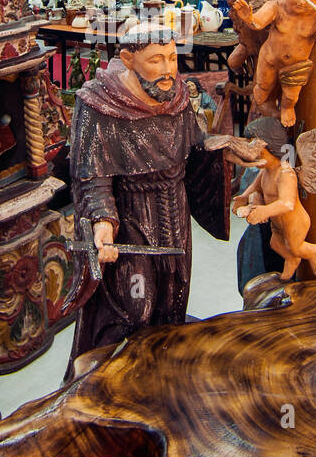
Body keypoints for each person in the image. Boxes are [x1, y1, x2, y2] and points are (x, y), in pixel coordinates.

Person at [67, 22, 227, 377]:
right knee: (133, 307)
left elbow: (196, 146)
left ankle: (160, 383)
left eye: (173, 58)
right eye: (156, 60)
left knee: (173, 299)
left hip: (175, 209)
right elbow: (91, 174)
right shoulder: (97, 105)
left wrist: (228, 149)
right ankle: (116, 387)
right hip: (130, 219)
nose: (169, 70)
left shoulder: (178, 95)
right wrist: (103, 224)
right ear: (127, 59)